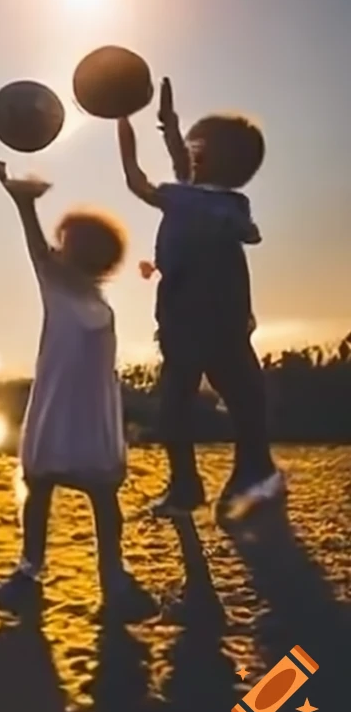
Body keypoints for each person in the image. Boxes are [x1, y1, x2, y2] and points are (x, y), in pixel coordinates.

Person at [0, 164, 157, 621]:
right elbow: (39, 251)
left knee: (74, 494)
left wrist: (24, 203)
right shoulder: (78, 296)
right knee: (65, 492)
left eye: (64, 243)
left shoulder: (78, 295)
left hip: (76, 412)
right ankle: (56, 575)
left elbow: (38, 252)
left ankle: (85, 579)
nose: (55, 249)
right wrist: (24, 203)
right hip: (73, 412)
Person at [117, 77, 283, 520]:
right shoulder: (228, 203)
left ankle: (195, 484)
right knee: (242, 400)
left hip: (192, 319)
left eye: (192, 143)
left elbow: (137, 179)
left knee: (179, 406)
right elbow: (186, 169)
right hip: (218, 318)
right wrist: (168, 125)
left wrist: (122, 122)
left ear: (201, 155)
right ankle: (248, 471)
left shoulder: (187, 200)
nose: (183, 150)